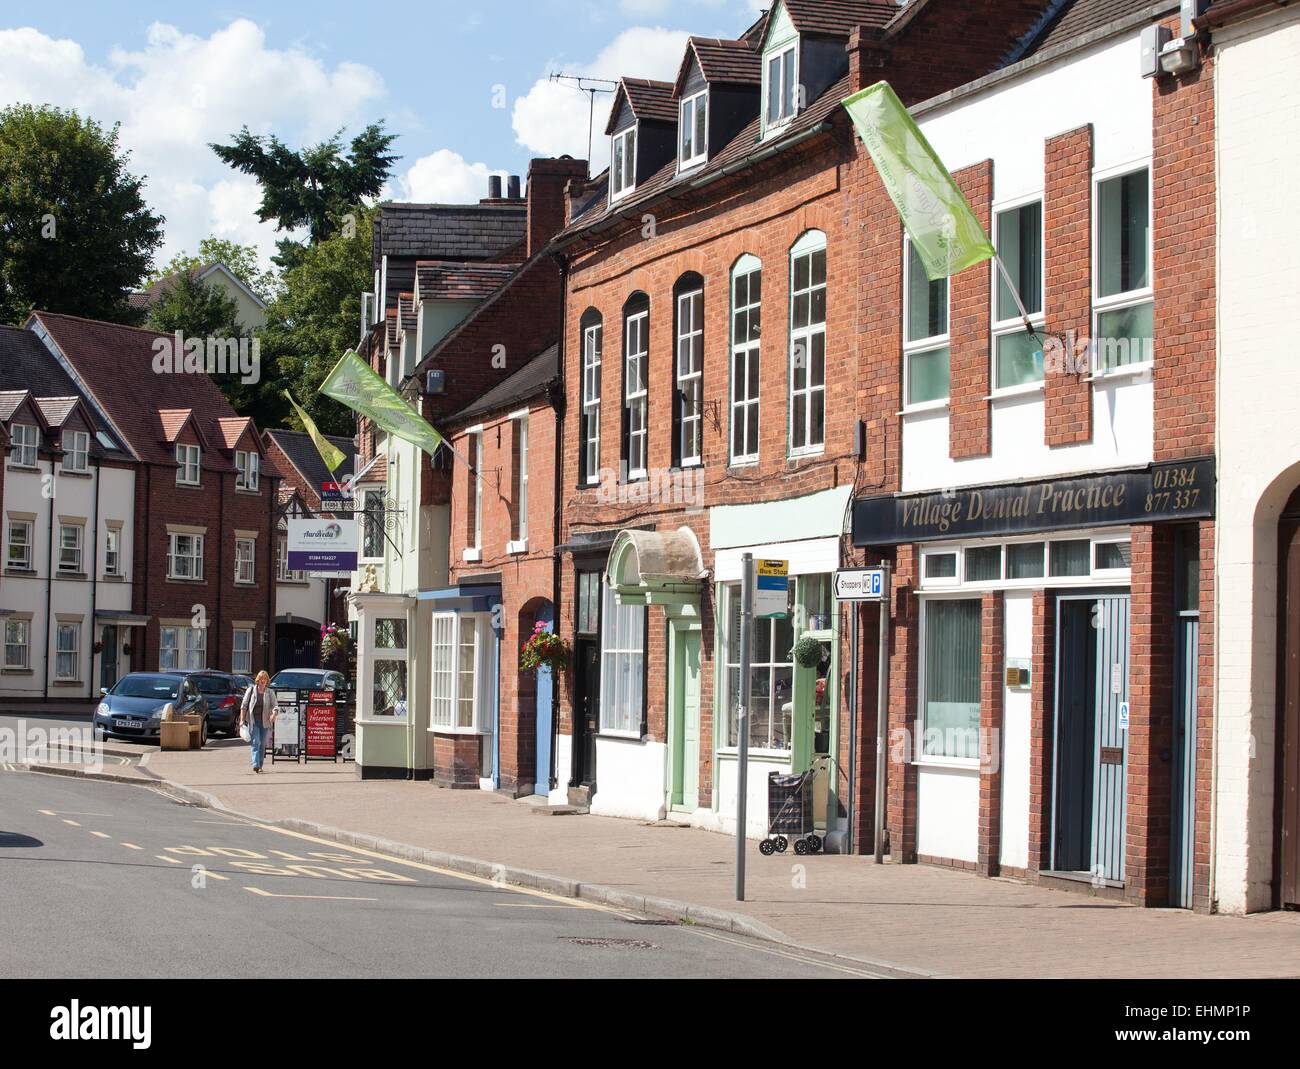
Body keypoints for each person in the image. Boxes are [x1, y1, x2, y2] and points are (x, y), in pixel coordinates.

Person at [238, 670, 277, 773]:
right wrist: (242, 720)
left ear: (267, 680)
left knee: (262, 743)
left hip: (265, 722)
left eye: (265, 679)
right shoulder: (251, 690)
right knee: (256, 742)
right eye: (261, 678)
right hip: (253, 721)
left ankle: (260, 764)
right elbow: (244, 706)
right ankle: (255, 764)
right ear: (258, 680)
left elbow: (275, 706)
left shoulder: (270, 692)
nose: (263, 680)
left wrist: (274, 714)